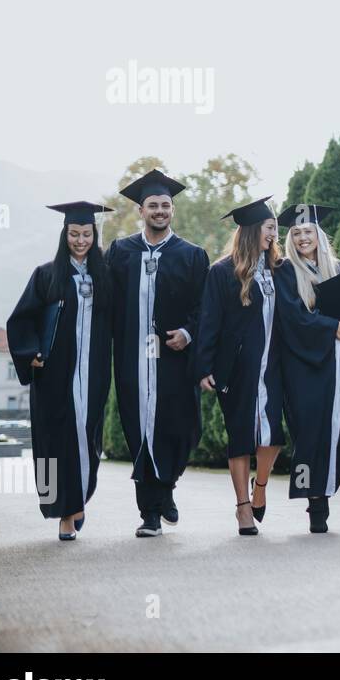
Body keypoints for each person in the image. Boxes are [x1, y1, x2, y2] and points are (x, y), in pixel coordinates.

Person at [108, 170, 210, 538]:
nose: (160, 210)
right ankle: (150, 512)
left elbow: (205, 309)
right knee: (142, 430)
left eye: (166, 205)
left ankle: (167, 486)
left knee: (180, 428)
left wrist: (188, 333)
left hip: (175, 361)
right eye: (153, 205)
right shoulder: (120, 252)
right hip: (134, 360)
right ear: (141, 210)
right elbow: (106, 304)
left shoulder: (192, 256)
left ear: (173, 210)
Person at [6, 201, 115, 540]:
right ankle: (65, 513)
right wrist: (30, 352)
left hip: (93, 372)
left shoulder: (104, 276)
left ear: (94, 235)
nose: (80, 240)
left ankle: (79, 498)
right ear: (64, 234)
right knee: (57, 442)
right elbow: (22, 318)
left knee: (87, 436)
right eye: (74, 234)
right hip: (54, 374)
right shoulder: (47, 274)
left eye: (86, 234)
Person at [194, 197, 286, 536]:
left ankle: (259, 487)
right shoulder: (222, 272)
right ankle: (242, 507)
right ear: (251, 231)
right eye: (269, 228)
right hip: (236, 367)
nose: (274, 234)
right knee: (241, 436)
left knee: (273, 434)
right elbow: (209, 321)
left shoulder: (281, 269)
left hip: (274, 366)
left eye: (275, 228)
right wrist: (204, 366)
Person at [273, 203, 340, 533]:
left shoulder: (339, 269)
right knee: (308, 431)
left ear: (319, 236)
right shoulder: (284, 270)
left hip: (336, 364)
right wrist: (330, 327)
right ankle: (314, 503)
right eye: (296, 233)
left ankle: (324, 494)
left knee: (335, 430)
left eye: (308, 231)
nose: (302, 237)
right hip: (302, 366)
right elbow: (291, 317)